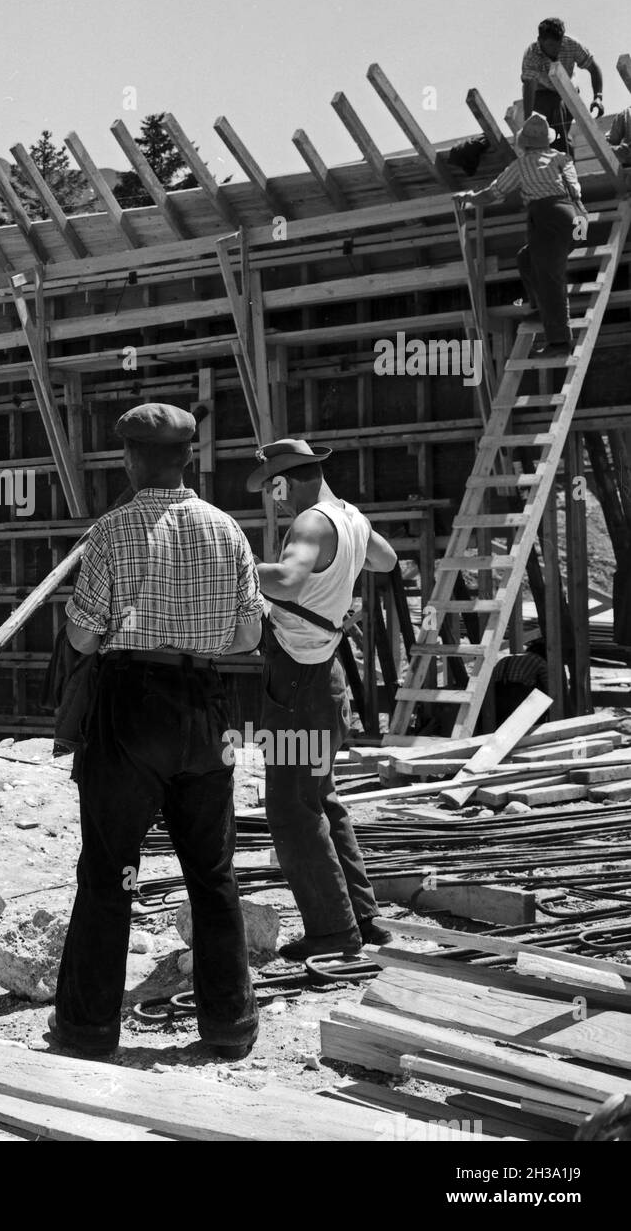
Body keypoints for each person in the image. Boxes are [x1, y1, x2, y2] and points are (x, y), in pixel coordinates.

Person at [52, 403, 262, 1060]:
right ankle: (229, 1027)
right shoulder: (227, 528)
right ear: (188, 458)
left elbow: (83, 637)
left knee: (110, 872)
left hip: (130, 707)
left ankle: (88, 1030)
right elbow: (249, 634)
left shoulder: (112, 531)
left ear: (129, 459)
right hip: (204, 706)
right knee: (212, 872)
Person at [248, 439, 396, 961]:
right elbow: (385, 559)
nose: (274, 499)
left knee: (291, 808)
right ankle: (363, 917)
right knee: (323, 798)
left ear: (285, 480)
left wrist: (234, 565)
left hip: (296, 680)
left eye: (273, 488)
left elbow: (288, 582)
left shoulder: (311, 523)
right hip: (325, 676)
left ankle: (333, 931)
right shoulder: (350, 516)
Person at [457, 111, 588, 360]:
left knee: (550, 279)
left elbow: (493, 193)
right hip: (578, 220)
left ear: (524, 144)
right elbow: (575, 189)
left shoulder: (523, 165)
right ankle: (541, 309)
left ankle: (559, 342)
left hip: (549, 220)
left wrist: (469, 198)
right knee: (526, 259)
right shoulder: (562, 158)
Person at [520, 16, 603, 153]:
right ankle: (551, 155)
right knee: (547, 123)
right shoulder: (532, 54)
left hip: (568, 91)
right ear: (540, 40)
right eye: (550, 45)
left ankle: (564, 158)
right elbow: (529, 86)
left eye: (558, 45)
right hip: (542, 93)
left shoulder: (571, 44)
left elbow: (593, 69)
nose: (555, 49)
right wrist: (527, 120)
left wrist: (598, 97)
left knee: (560, 126)